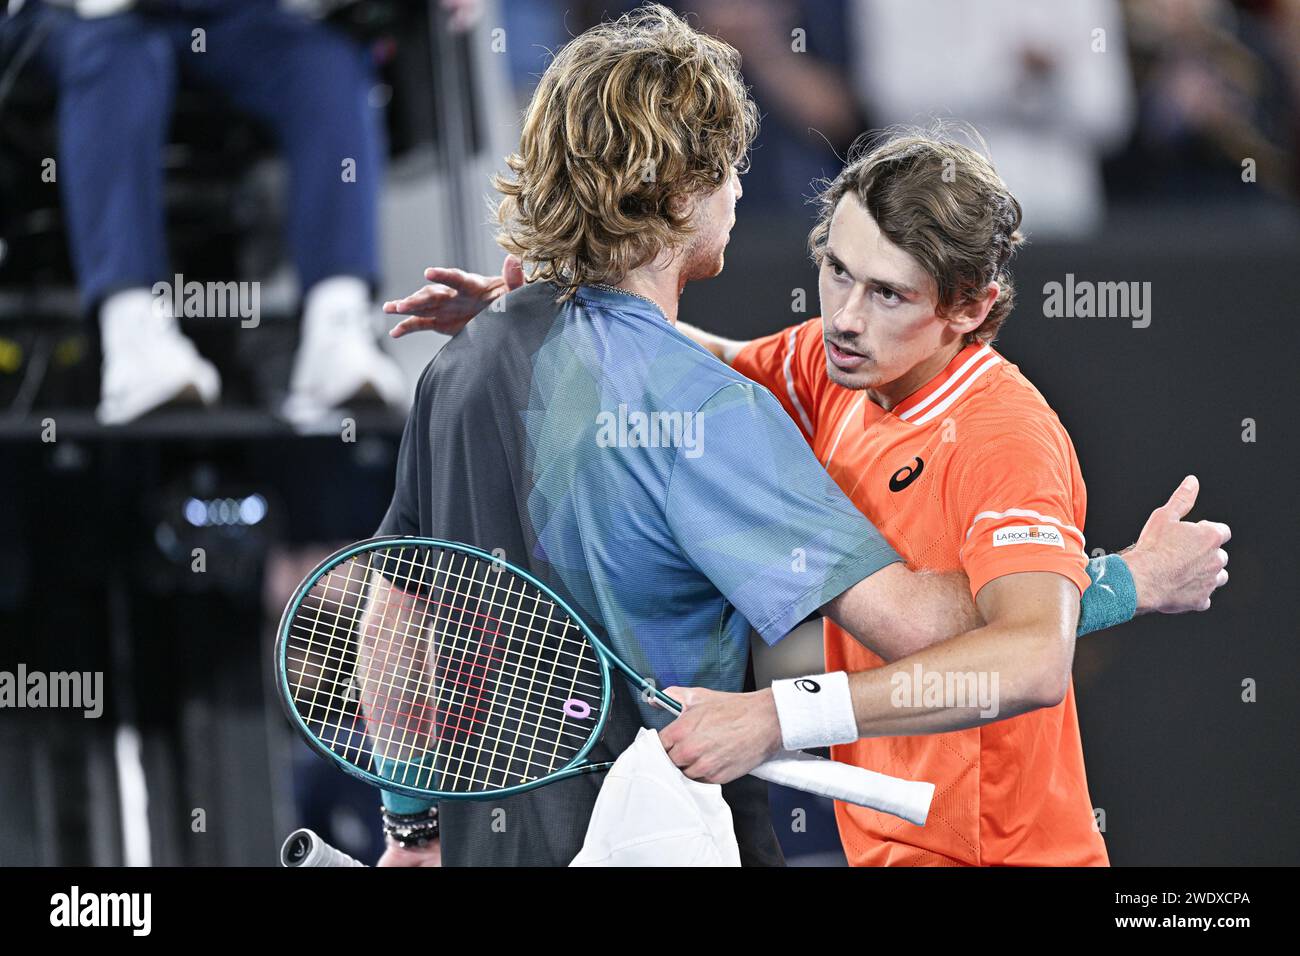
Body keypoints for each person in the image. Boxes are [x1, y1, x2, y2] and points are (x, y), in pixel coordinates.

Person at [375, 7, 1229, 867]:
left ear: (969, 307)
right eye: (836, 271)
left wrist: (411, 827)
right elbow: (918, 623)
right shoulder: (743, 397)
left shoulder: (463, 366)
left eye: (888, 292)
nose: (846, 319)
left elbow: (392, 618)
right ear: (681, 194)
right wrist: (1124, 581)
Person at [24, 0, 478, 424]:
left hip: (224, 18)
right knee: (118, 58)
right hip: (87, 20)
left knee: (325, 67)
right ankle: (131, 333)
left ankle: (336, 326)